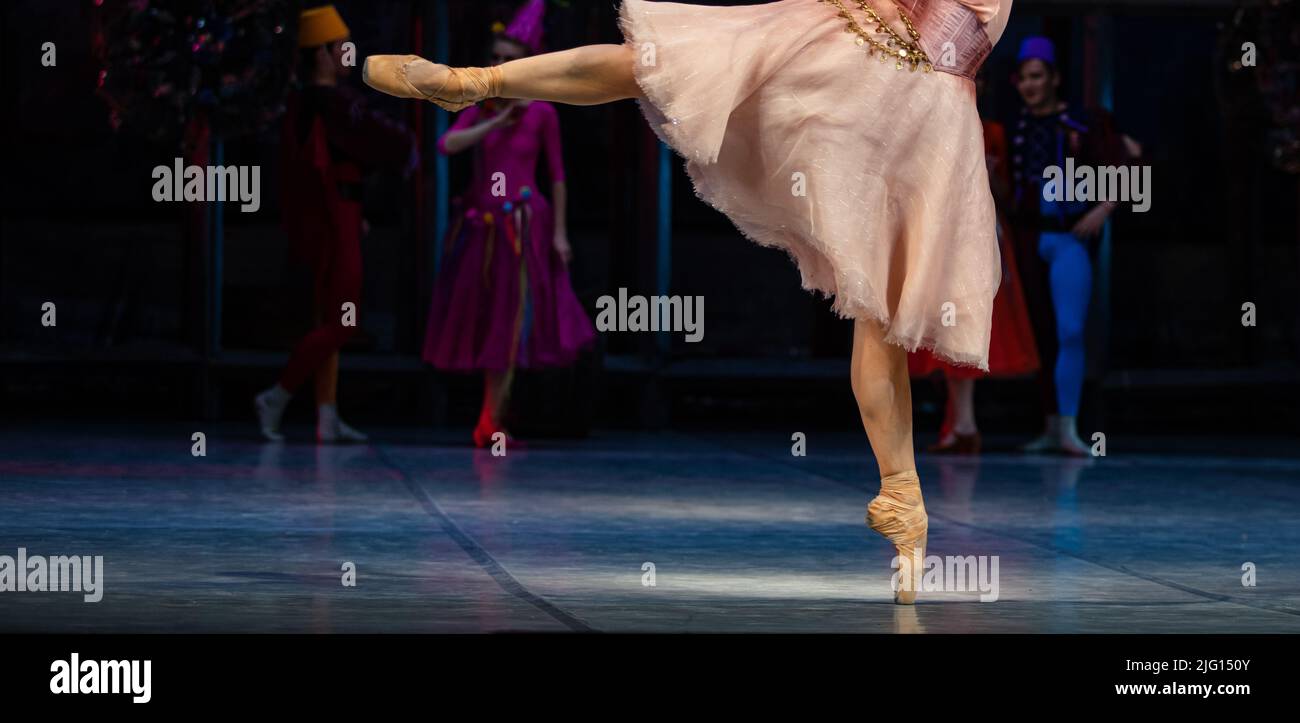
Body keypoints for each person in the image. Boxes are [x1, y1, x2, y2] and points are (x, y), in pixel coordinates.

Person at [364, 0, 1015, 604]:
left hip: (907, 99)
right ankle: (468, 82)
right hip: (867, 66)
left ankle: (904, 503)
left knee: (878, 316)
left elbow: (962, 34)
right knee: (663, 65)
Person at [423, 0, 595, 448]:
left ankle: (492, 417)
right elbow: (447, 144)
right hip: (482, 227)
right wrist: (497, 117)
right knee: (487, 320)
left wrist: (558, 233)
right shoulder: (482, 106)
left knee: (513, 320)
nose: (499, 64)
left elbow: (557, 177)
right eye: (495, 56)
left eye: (509, 59)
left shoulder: (542, 112)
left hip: (522, 226)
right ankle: (491, 416)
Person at [254, 5, 418, 443]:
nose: (350, 53)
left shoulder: (308, 103)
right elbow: (385, 142)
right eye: (341, 47)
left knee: (328, 315)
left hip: (337, 213)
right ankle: (278, 395)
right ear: (323, 55)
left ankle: (326, 412)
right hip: (333, 218)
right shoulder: (329, 103)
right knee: (344, 320)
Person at [1008, 37, 1133, 456]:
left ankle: (1070, 424)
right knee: (1040, 334)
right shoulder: (1016, 129)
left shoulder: (1083, 123)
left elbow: (1128, 167)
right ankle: (1049, 426)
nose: (1030, 85)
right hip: (1028, 238)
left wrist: (1102, 210)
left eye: (1037, 76)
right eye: (1024, 78)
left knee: (1071, 330)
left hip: (1067, 237)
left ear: (1055, 79)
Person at [910, 69, 1039, 454]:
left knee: (969, 323)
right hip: (941, 233)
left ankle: (963, 422)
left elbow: (1006, 194)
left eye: (976, 80)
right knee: (945, 324)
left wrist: (990, 174)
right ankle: (960, 422)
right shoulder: (930, 129)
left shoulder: (993, 130)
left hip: (979, 233)